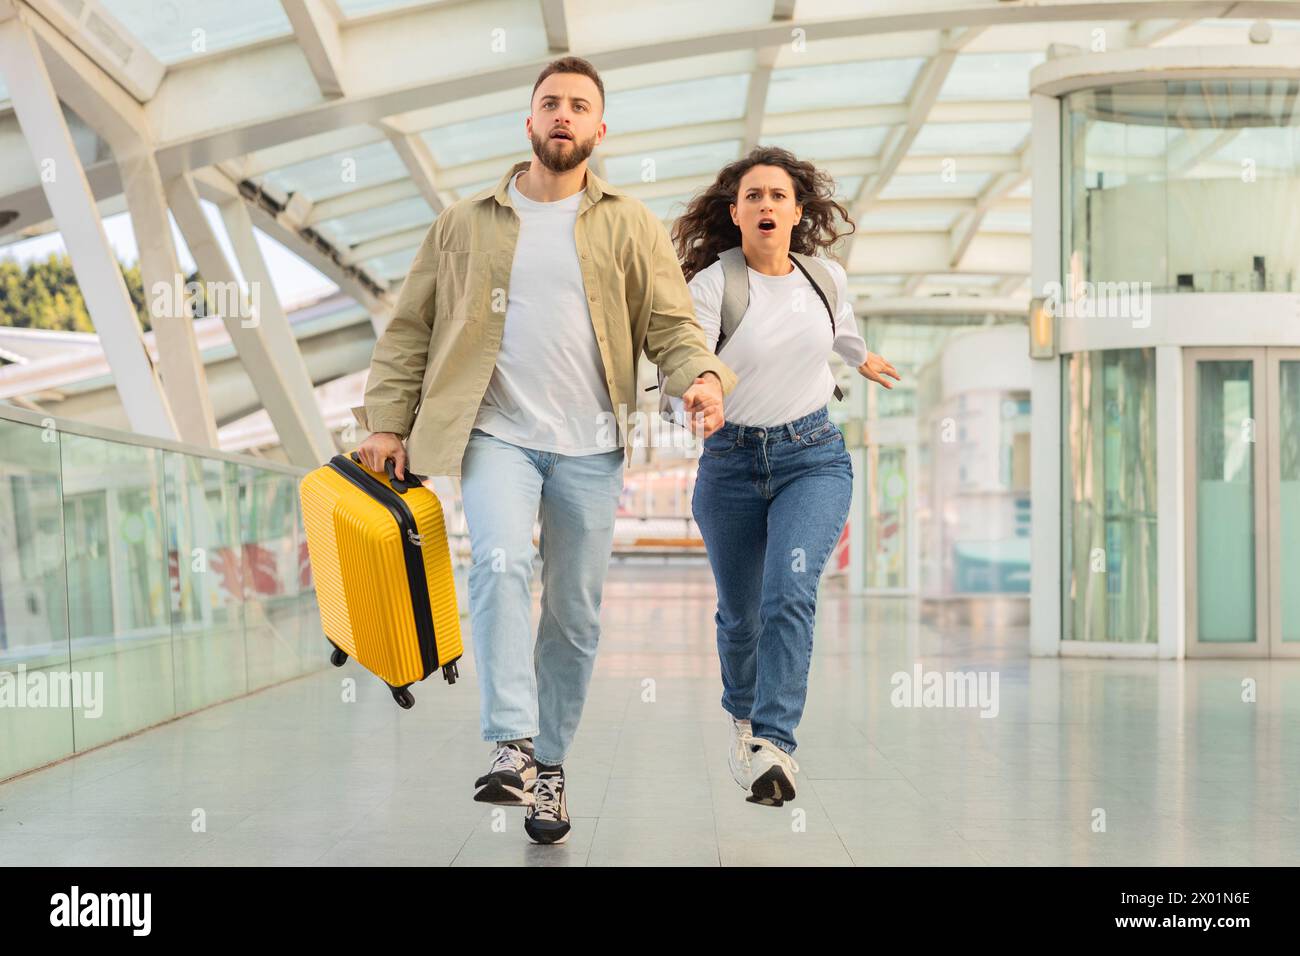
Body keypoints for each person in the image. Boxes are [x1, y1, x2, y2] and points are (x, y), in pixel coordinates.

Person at [352, 57, 737, 844]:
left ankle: (549, 766)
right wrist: (388, 421)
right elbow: (411, 330)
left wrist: (697, 374)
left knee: (574, 615)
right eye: (550, 103)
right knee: (497, 563)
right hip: (497, 434)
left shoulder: (628, 224)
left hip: (592, 445)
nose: (564, 115)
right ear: (529, 123)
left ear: (600, 129)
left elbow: (670, 323)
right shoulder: (463, 224)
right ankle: (511, 742)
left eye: (580, 106)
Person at [673, 146, 900, 806]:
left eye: (778, 196)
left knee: (789, 591)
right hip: (731, 465)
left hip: (813, 458)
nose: (767, 205)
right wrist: (699, 391)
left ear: (798, 211)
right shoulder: (714, 284)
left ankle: (775, 743)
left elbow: (841, 331)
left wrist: (862, 357)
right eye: (754, 197)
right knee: (741, 617)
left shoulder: (825, 277)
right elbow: (684, 352)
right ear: (735, 212)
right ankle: (744, 720)